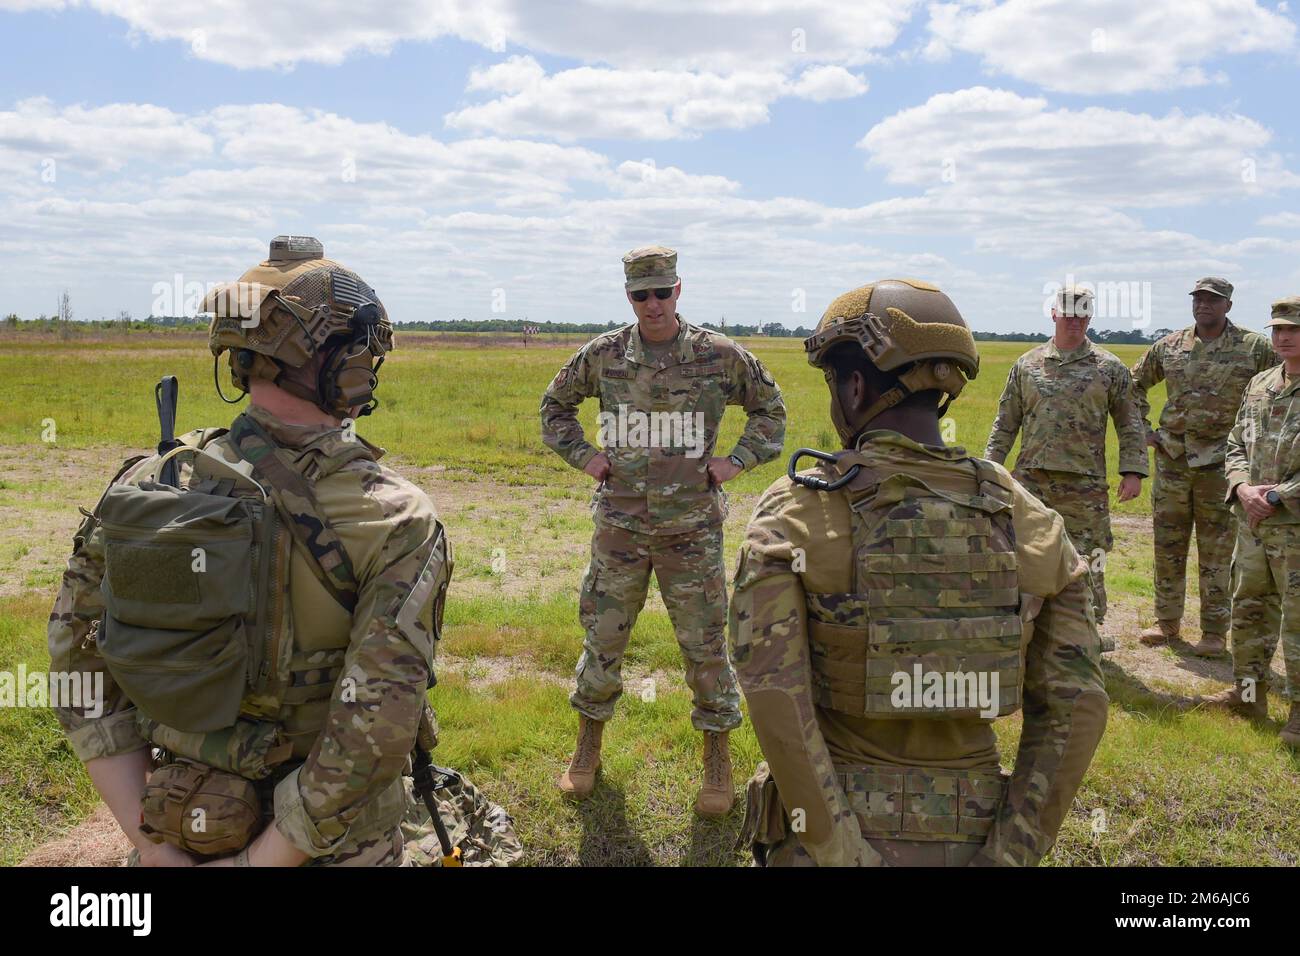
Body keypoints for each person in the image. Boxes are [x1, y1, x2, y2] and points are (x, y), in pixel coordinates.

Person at [47, 235, 518, 866]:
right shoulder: (394, 516)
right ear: (336, 362)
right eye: (362, 352)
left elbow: (77, 668)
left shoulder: (147, 484)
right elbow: (374, 728)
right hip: (332, 848)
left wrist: (152, 848)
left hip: (176, 825)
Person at [731, 278, 1108, 866]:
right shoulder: (1033, 521)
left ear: (855, 387)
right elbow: (1077, 707)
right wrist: (1009, 855)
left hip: (824, 841)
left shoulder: (796, 513)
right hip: (977, 833)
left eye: (835, 382)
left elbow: (776, 697)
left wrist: (843, 853)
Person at [540, 245, 786, 816]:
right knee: (602, 641)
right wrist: (586, 457)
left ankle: (717, 763)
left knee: (705, 648)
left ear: (679, 290)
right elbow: (554, 409)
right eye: (639, 295)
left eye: (661, 292)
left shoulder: (717, 356)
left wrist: (735, 462)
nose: (652, 304)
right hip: (620, 530)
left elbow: (771, 410)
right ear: (629, 297)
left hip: (691, 532)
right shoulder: (602, 356)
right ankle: (586, 750)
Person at [985, 285, 1147, 646]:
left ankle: (1088, 632)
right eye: (1069, 313)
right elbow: (1005, 421)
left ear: (1090, 317)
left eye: (1083, 314)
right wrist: (990, 468)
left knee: (1090, 556)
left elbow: (1129, 422)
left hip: (1085, 485)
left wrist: (1132, 471)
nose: (1076, 320)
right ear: (1054, 313)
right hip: (1031, 481)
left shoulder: (1109, 368)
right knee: (1026, 552)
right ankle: (1026, 629)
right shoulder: (1027, 365)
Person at [1129, 277, 1277, 654]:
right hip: (1173, 461)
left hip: (1223, 465)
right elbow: (1132, 386)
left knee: (1217, 551)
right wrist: (1145, 430)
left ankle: (1213, 632)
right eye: (1198, 300)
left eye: (1213, 301)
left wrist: (1259, 438)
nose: (1204, 306)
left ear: (1228, 305)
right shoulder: (1170, 346)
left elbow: (1284, 382)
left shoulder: (1253, 347)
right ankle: (1167, 624)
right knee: (1169, 545)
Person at [1197, 296, 1300, 748]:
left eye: (1293, 330)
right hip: (1254, 522)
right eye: (1278, 329)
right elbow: (1236, 441)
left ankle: (1298, 712)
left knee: (1296, 619)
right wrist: (1242, 488)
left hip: (1292, 523)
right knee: (1249, 607)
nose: (1284, 337)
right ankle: (1248, 694)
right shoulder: (1261, 382)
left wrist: (1278, 496)